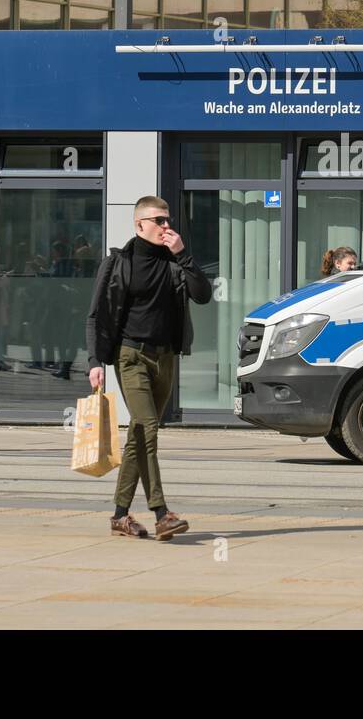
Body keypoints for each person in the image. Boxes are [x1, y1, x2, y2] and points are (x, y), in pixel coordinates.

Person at [86, 196, 211, 541]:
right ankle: (161, 512)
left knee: (138, 436)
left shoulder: (175, 262)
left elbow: (203, 295)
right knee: (148, 428)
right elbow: (96, 314)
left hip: (165, 357)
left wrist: (184, 255)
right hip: (130, 355)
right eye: (159, 220)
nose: (166, 227)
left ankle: (119, 516)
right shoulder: (118, 263)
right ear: (140, 225)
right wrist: (95, 361)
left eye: (168, 220)